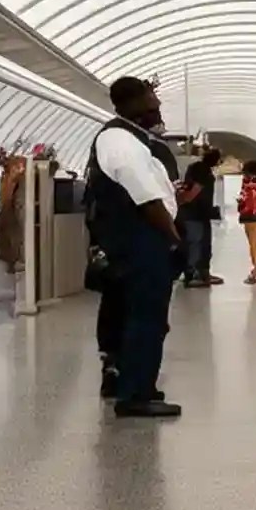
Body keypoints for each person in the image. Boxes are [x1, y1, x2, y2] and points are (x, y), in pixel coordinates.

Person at [84, 76, 183, 418]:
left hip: (138, 239)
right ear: (131, 104)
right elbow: (147, 199)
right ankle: (135, 394)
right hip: (139, 240)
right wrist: (174, 238)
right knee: (146, 316)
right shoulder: (119, 140)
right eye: (151, 99)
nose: (157, 106)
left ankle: (139, 385)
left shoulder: (130, 138)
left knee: (141, 314)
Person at [177, 147, 225, 288]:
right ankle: (192, 275)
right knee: (196, 245)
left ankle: (203, 274)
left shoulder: (197, 167)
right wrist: (182, 201)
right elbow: (192, 193)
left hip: (200, 214)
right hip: (195, 215)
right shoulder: (202, 170)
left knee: (203, 245)